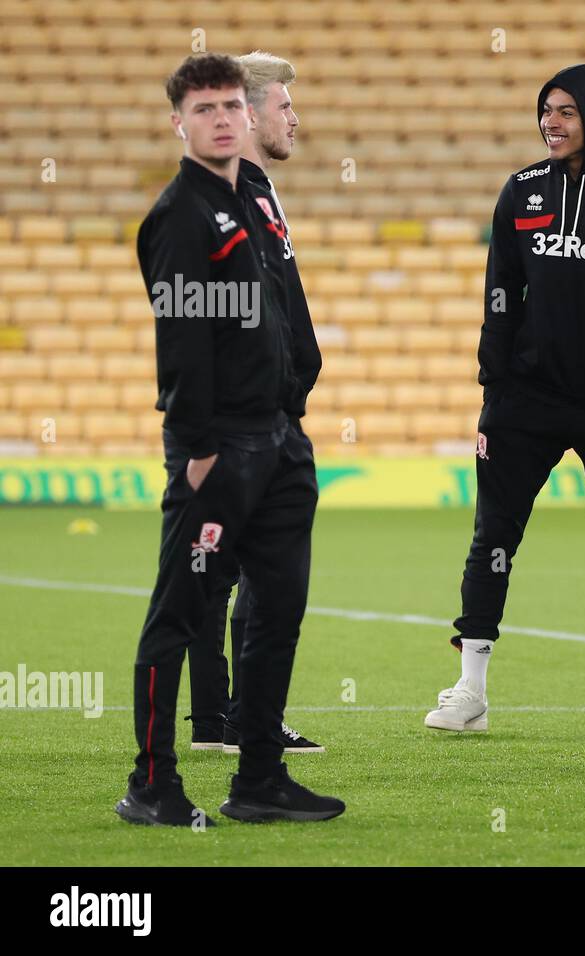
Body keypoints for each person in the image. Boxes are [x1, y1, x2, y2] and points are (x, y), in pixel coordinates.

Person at [116, 53, 342, 825]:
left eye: (229, 107)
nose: (219, 118)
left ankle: (258, 781)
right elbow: (181, 345)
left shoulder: (254, 198)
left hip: (280, 441)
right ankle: (151, 784)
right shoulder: (179, 215)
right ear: (178, 120)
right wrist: (200, 447)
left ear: (245, 116)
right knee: (178, 613)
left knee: (277, 610)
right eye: (202, 108)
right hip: (223, 450)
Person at [423, 64, 585, 740]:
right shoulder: (521, 191)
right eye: (546, 110)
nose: (551, 122)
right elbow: (500, 296)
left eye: (566, 110)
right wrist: (494, 387)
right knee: (492, 541)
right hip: (525, 403)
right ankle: (470, 690)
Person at [184, 50, 324, 757]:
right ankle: (233, 720)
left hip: (265, 410)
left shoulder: (258, 190)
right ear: (251, 111)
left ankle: (218, 718)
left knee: (224, 569)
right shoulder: (232, 193)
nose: (295, 118)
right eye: (285, 107)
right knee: (247, 572)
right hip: (243, 418)